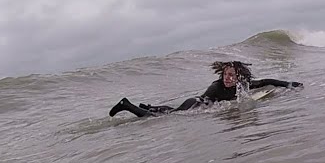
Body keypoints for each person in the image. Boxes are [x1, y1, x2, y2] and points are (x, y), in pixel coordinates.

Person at [109, 61, 303, 118]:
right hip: (196, 104)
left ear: (238, 77)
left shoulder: (242, 85)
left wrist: (287, 84)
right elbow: (205, 102)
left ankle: (151, 106)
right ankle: (128, 105)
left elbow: (265, 81)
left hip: (194, 104)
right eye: (225, 75)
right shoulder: (215, 86)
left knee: (170, 110)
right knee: (165, 118)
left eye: (231, 76)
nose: (227, 78)